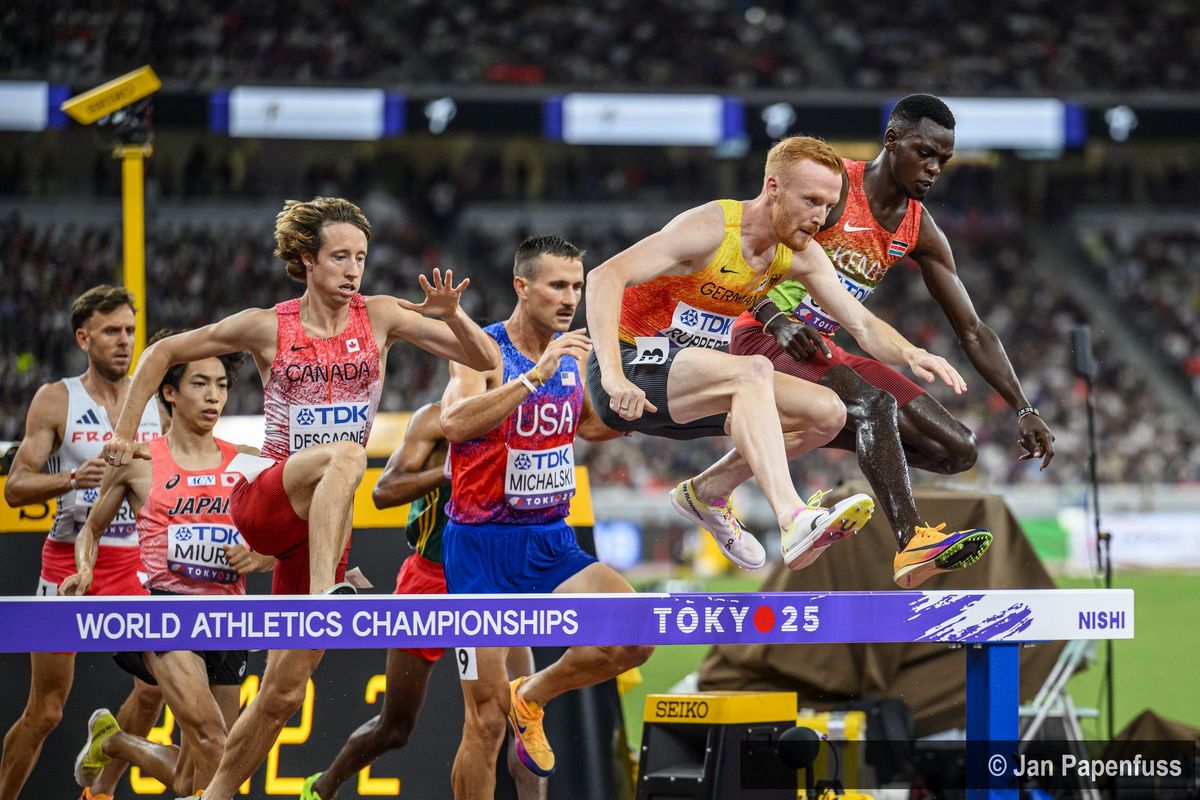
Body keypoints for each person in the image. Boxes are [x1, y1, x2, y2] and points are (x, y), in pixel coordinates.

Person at [99, 196, 497, 800]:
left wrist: (454, 316)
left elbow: (486, 358)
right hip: (267, 502)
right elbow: (161, 353)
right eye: (340, 257)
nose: (353, 269)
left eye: (361, 257)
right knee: (346, 454)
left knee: (281, 695)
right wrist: (126, 433)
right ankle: (322, 597)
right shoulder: (268, 325)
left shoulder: (383, 316)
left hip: (322, 531)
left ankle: (216, 795)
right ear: (308, 260)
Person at [585, 136, 967, 573]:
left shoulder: (801, 254)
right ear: (772, 188)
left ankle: (706, 493)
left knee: (828, 412)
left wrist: (912, 353)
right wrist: (613, 375)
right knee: (753, 371)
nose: (820, 218)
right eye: (810, 201)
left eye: (829, 205)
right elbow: (603, 277)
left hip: (697, 385)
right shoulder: (712, 228)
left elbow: (861, 324)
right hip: (634, 369)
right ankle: (793, 518)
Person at [733, 96, 1055, 586]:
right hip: (762, 334)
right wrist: (773, 316)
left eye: (943, 161)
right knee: (875, 405)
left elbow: (972, 329)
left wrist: (1023, 407)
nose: (933, 169)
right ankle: (911, 542)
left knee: (958, 450)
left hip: (823, 348)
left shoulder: (917, 227)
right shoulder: (834, 187)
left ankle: (844, 465)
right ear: (891, 140)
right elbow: (745, 248)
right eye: (924, 153)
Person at [440, 235, 642, 799]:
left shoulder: (574, 353)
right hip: (481, 550)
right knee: (483, 722)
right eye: (558, 285)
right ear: (521, 286)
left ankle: (533, 693)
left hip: (551, 544)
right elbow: (454, 425)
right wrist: (532, 374)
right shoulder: (482, 349)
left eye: (577, 286)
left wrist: (634, 414)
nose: (570, 297)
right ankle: (514, 703)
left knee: (637, 631)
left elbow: (580, 423)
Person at [61, 336, 275, 796]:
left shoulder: (249, 462)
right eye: (200, 383)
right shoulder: (138, 463)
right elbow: (91, 529)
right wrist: (83, 570)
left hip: (228, 618)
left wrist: (259, 557)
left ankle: (114, 740)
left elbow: (290, 539)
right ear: (169, 392)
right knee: (217, 744)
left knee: (192, 776)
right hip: (167, 614)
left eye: (221, 384)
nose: (214, 395)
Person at [302, 399, 545, 800]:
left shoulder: (526, 417)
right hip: (429, 580)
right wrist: (448, 472)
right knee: (395, 727)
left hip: (491, 581)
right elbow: (383, 491)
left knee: (526, 720)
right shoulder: (435, 419)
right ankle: (322, 788)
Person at [0, 285, 165, 800]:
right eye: (112, 331)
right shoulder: (56, 399)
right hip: (71, 562)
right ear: (83, 337)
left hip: (136, 565)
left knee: (155, 688)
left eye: (130, 331)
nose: (124, 341)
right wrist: (73, 480)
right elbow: (14, 487)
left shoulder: (154, 398)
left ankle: (99, 791)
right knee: (46, 711)